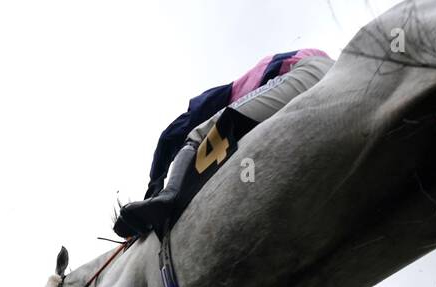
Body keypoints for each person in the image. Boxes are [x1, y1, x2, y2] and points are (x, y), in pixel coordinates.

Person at [114, 49, 334, 238]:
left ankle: (167, 197)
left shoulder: (216, 98)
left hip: (309, 74)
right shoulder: (249, 89)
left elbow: (168, 137)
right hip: (327, 75)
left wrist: (155, 188)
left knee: (197, 135)